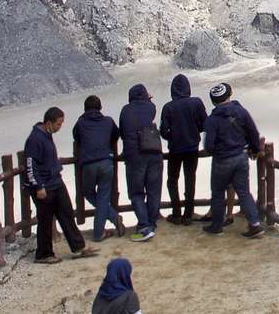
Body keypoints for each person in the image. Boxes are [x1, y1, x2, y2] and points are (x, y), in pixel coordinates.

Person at [24, 106, 92, 263]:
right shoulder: (35, 139)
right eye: (58, 124)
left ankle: (78, 246)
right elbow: (30, 164)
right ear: (49, 123)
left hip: (55, 181)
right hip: (44, 185)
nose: (60, 127)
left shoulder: (46, 135)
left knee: (67, 213)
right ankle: (44, 254)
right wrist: (38, 186)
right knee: (46, 220)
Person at [201, 81, 264, 237]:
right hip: (241, 156)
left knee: (217, 192)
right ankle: (255, 225)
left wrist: (218, 151)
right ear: (230, 95)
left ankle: (217, 226)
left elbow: (208, 145)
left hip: (222, 160)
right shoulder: (241, 112)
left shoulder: (212, 119)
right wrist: (255, 149)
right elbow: (253, 133)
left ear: (214, 101)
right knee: (243, 192)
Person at [73, 95, 126, 241]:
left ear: (85, 109)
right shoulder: (108, 121)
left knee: (88, 193)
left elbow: (76, 137)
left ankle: (101, 231)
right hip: (106, 162)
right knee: (103, 197)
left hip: (89, 164)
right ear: (100, 107)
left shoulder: (81, 123)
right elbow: (116, 135)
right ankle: (114, 219)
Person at [158, 74, 206, 225]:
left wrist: (172, 136)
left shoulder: (168, 107)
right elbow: (205, 123)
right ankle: (188, 214)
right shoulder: (196, 103)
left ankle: (176, 212)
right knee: (190, 179)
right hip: (192, 147)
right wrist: (194, 130)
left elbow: (164, 131)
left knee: (172, 180)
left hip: (175, 149)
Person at [117, 83, 162, 243]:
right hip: (154, 153)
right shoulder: (151, 107)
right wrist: (148, 98)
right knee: (154, 190)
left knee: (136, 192)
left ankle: (144, 227)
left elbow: (121, 132)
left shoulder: (125, 110)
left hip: (134, 156)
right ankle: (151, 222)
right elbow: (150, 107)